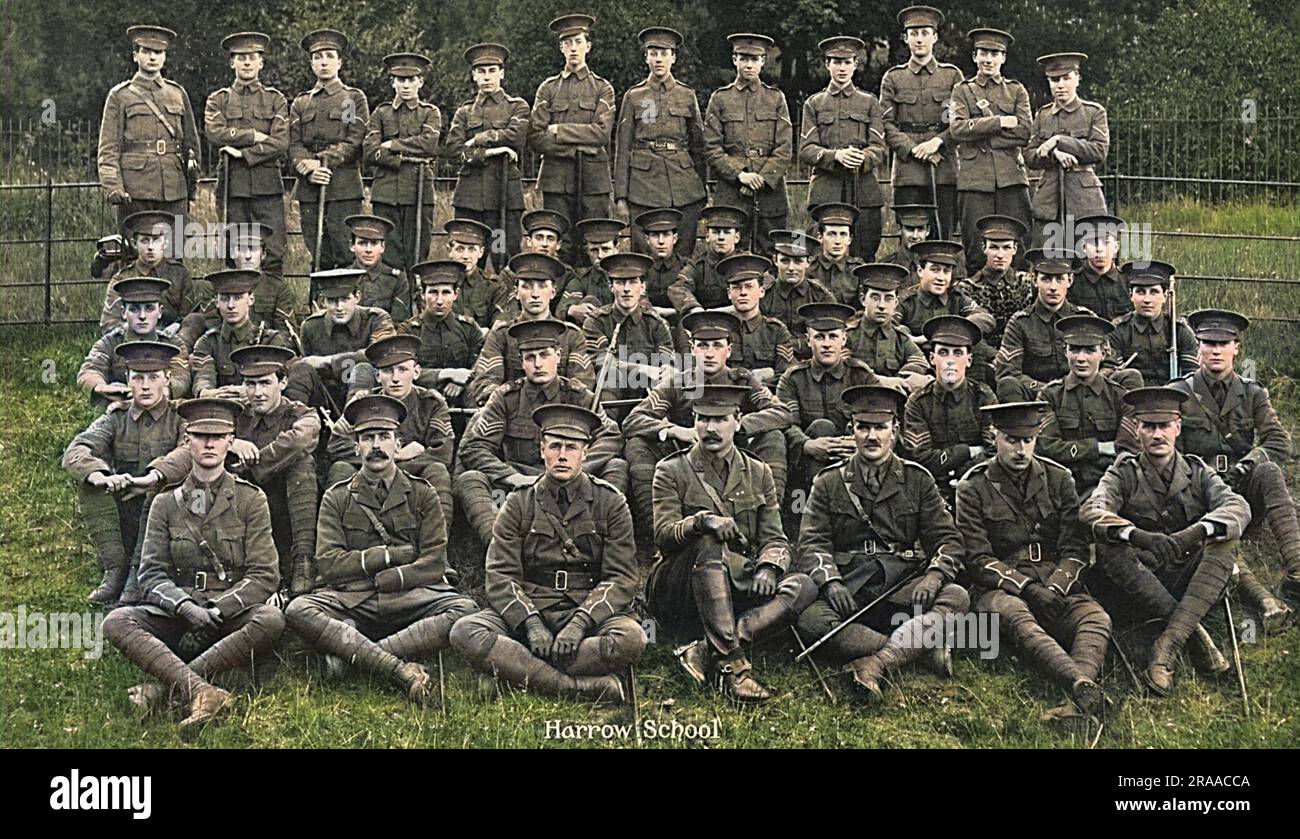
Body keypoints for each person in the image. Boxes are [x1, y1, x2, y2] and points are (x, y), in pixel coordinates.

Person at [102, 398, 284, 728]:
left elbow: (264, 574)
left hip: (227, 616)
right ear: (187, 441)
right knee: (117, 620)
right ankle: (203, 690)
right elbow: (152, 573)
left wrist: (216, 610)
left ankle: (162, 688)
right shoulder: (165, 503)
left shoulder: (250, 499)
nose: (209, 443)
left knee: (271, 618)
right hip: (178, 613)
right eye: (200, 435)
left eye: (218, 436)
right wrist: (185, 607)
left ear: (231, 441)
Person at [286, 395, 478, 705]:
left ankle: (355, 656)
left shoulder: (422, 493)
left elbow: (434, 561)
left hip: (409, 595)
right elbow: (329, 563)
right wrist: (388, 557)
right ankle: (398, 668)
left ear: (397, 445)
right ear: (356, 447)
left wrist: (393, 578)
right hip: (356, 597)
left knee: (464, 610)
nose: (376, 445)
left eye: (384, 437)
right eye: (367, 437)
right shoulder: (337, 497)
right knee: (298, 609)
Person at [450, 404, 643, 703]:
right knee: (465, 631)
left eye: (571, 447)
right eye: (554, 446)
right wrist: (531, 622)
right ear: (542, 450)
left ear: (585, 453)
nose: (562, 455)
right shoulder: (517, 502)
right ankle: (574, 687)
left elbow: (621, 577)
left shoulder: (610, 502)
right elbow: (501, 574)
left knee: (632, 639)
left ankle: (516, 671)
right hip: (532, 603)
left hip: (586, 605)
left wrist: (580, 623)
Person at [794, 384, 968, 703]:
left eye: (880, 427)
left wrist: (934, 575)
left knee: (956, 596)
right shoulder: (828, 481)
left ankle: (877, 661)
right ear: (852, 430)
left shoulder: (918, 479)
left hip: (898, 583)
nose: (872, 436)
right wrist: (831, 582)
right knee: (809, 619)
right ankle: (915, 647)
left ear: (895, 430)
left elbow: (947, 539)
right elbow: (811, 542)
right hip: (849, 586)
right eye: (864, 427)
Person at [648, 384, 817, 702]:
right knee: (708, 541)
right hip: (679, 590)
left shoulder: (759, 472)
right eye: (701, 419)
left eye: (721, 419)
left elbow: (775, 537)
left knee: (804, 585)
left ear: (738, 421)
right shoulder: (670, 470)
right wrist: (701, 522)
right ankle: (734, 667)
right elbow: (664, 536)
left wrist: (769, 566)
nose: (710, 428)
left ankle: (705, 648)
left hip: (736, 586)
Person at [1081, 387, 1248, 695]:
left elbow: (1237, 506)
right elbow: (1093, 509)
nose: (1157, 435)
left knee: (1225, 541)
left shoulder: (1198, 471)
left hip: (1186, 576)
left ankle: (1166, 647)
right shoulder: (1123, 471)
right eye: (1148, 426)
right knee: (1109, 545)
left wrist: (1196, 532)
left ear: (1178, 428)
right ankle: (1195, 633)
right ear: (1138, 431)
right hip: (1138, 581)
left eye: (1164, 426)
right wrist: (1136, 534)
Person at [955, 401, 1110, 717]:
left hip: (1056, 583)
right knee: (1015, 615)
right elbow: (976, 557)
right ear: (994, 436)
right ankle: (1077, 681)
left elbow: (1076, 548)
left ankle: (1078, 698)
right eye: (1011, 440)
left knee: (1097, 618)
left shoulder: (1059, 479)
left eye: (1028, 440)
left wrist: (1055, 588)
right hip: (1000, 588)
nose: (1021, 449)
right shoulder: (973, 487)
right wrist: (1026, 588)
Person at [152, 346, 320, 599]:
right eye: (250, 384)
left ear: (283, 382)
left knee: (302, 463)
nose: (258, 392)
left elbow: (300, 440)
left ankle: (303, 559)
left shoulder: (300, 413)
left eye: (265, 383)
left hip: (284, 502)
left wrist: (256, 460)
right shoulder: (235, 413)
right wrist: (233, 442)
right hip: (234, 503)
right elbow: (197, 429)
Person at [1170, 310, 1299, 621]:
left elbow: (1280, 442)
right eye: (1208, 343)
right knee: (1217, 528)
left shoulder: (1252, 393)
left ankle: (1296, 571)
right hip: (1199, 493)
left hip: (1241, 485)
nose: (1216, 350)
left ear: (1236, 348)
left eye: (1223, 343)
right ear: (1197, 347)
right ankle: (1260, 595)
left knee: (1268, 471)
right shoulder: (1178, 393)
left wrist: (1250, 461)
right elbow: (1170, 453)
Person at [456, 320, 627, 547]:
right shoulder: (506, 398)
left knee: (617, 467)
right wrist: (512, 476)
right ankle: (500, 548)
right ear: (521, 362)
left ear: (558, 356)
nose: (538, 364)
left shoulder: (577, 395)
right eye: (530, 357)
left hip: (572, 485)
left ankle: (596, 541)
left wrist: (577, 470)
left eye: (544, 355)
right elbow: (475, 447)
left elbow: (611, 436)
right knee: (471, 480)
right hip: (519, 486)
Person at [623, 311, 794, 535]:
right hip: (688, 461)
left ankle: (770, 528)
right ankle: (658, 532)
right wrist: (675, 430)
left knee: (774, 437)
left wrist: (738, 426)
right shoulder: (678, 382)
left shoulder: (742, 380)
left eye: (717, 345)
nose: (710, 353)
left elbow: (782, 412)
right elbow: (633, 420)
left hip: (735, 458)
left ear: (729, 350)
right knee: (637, 443)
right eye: (703, 345)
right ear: (692, 349)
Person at [63, 342, 187, 606]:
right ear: (127, 379)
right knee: (90, 485)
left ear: (166, 379)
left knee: (160, 492)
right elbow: (77, 449)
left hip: (173, 512)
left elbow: (188, 452)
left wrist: (154, 477)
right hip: (128, 507)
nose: (144, 386)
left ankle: (135, 578)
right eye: (137, 377)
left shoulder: (180, 416)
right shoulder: (116, 418)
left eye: (153, 377)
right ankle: (114, 570)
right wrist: (102, 477)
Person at [326, 335, 455, 526]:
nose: (395, 378)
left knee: (437, 471)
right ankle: (338, 545)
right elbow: (336, 444)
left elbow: (442, 452)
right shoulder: (363, 403)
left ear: (416, 372)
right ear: (377, 376)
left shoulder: (431, 403)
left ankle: (438, 545)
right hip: (369, 471)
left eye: (402, 370)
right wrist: (395, 455)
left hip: (413, 473)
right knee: (340, 469)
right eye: (387, 371)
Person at [529, 13, 616, 265]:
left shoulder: (603, 88)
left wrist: (559, 131)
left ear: (588, 46)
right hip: (556, 178)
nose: (573, 48)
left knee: (596, 241)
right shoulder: (548, 88)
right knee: (560, 245)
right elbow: (536, 136)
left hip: (594, 179)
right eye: (568, 43)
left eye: (578, 41)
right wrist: (578, 147)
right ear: (561, 48)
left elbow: (601, 133)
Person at [614, 26, 707, 258]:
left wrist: (702, 188)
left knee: (683, 251)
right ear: (646, 57)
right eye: (653, 53)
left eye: (664, 53)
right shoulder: (634, 96)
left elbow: (699, 146)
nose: (658, 59)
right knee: (644, 253)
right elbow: (623, 147)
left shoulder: (687, 95)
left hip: (683, 186)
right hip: (643, 187)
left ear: (673, 58)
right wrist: (621, 196)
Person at [948, 28, 1032, 272]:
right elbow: (957, 130)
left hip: (1012, 180)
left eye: (995, 54)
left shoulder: (1016, 91)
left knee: (1018, 247)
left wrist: (983, 135)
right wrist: (1000, 122)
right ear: (974, 56)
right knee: (976, 248)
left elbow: (1025, 132)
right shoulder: (962, 91)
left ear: (1003, 58)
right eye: (983, 53)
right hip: (975, 180)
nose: (988, 59)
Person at [206, 31, 289, 277]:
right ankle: (236, 306)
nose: (247, 62)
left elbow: (281, 142)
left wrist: (244, 154)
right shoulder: (218, 100)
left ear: (261, 62)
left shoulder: (275, 100)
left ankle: (271, 306)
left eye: (252, 57)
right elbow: (215, 133)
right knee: (235, 250)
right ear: (232, 62)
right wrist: (253, 135)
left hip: (267, 186)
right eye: (240, 57)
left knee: (273, 251)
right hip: (233, 185)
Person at [775, 302, 879, 499]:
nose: (826, 344)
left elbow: (882, 419)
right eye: (819, 337)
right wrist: (807, 445)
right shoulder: (793, 379)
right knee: (821, 427)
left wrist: (857, 443)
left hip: (856, 457)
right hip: (808, 464)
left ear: (844, 339)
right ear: (808, 340)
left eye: (833, 336)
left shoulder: (861, 376)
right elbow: (786, 424)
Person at [98, 25, 200, 224]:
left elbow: (192, 147)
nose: (152, 57)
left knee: (175, 252)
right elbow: (108, 148)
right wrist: (114, 187)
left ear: (164, 57)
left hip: (174, 188)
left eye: (158, 52)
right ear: (135, 56)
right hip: (136, 190)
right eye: (146, 51)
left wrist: (191, 188)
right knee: (137, 251)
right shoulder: (120, 96)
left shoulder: (177, 93)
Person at [799, 36, 887, 261]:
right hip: (827, 188)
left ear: (855, 64)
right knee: (822, 253)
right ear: (827, 64)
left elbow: (879, 148)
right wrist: (835, 155)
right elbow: (806, 149)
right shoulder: (814, 104)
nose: (842, 68)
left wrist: (861, 157)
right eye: (836, 62)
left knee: (864, 251)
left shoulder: (869, 102)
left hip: (863, 187)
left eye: (847, 62)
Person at [880, 7, 964, 241]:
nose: (919, 39)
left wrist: (938, 142)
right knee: (910, 234)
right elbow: (886, 123)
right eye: (914, 33)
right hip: (908, 170)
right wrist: (914, 149)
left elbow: (958, 120)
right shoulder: (894, 78)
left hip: (943, 167)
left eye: (925, 33)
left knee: (942, 234)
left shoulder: (951, 76)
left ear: (935, 37)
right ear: (906, 38)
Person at [704, 33, 792, 254]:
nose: (749, 65)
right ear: (735, 60)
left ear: (763, 61)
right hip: (732, 191)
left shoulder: (776, 99)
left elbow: (784, 147)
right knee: (729, 253)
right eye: (743, 58)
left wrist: (763, 177)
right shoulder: (720, 99)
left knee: (773, 251)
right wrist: (740, 174)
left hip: (770, 192)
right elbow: (712, 147)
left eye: (755, 59)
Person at [467, 253, 594, 406]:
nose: (535, 294)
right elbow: (485, 383)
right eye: (526, 286)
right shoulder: (501, 334)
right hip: (511, 414)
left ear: (553, 292)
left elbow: (581, 384)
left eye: (542, 286)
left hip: (557, 414)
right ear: (516, 293)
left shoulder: (570, 335)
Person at [289, 29, 369, 273]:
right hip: (310, 187)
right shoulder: (301, 102)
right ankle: (321, 305)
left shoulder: (351, 99)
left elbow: (354, 141)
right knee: (316, 250)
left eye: (329, 56)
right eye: (318, 57)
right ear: (311, 63)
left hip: (343, 186)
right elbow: (293, 143)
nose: (324, 61)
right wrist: (307, 168)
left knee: (345, 251)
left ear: (339, 62)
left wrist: (322, 162)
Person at [1036, 314, 1140, 499]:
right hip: (1059, 486)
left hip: (1108, 485)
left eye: (1090, 350)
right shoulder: (1049, 396)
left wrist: (1072, 452)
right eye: (1074, 350)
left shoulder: (1121, 397)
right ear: (1065, 351)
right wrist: (1098, 448)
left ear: (1104, 352)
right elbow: (1045, 447)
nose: (1081, 358)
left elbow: (1126, 451)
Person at [446, 43, 529, 271]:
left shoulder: (517, 107)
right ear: (474, 76)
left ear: (502, 73)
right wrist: (493, 151)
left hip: (504, 197)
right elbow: (453, 150)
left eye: (492, 70)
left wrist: (478, 139)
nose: (487, 77)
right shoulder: (464, 112)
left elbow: (516, 137)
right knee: (467, 259)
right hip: (470, 199)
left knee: (506, 257)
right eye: (481, 71)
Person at [901, 315, 996, 495]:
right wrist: (967, 451)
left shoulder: (983, 397)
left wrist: (966, 471)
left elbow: (994, 449)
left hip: (978, 483)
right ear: (932, 359)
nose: (950, 360)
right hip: (930, 487)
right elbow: (919, 456)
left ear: (969, 360)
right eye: (943, 353)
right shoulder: (918, 402)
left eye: (958, 353)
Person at [364, 52, 440, 274]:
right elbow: (370, 151)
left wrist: (393, 145)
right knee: (389, 256)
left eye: (411, 80)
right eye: (400, 80)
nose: (406, 85)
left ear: (420, 82)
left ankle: (417, 302)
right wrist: (400, 159)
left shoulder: (430, 112)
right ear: (392, 82)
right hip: (386, 192)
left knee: (418, 253)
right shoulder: (381, 112)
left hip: (419, 190)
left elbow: (429, 144)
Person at [1026, 53, 1108, 246]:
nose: (1060, 85)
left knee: (1086, 258)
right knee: (1047, 259)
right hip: (1049, 200)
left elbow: (1099, 150)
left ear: (1077, 79)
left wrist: (1059, 140)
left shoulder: (1093, 113)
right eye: (1054, 80)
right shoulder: (1043, 115)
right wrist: (1054, 154)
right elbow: (1030, 155)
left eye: (1066, 78)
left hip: (1083, 200)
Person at [581, 252, 676, 419]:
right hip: (608, 397)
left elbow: (666, 363)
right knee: (611, 376)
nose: (626, 289)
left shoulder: (656, 324)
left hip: (645, 395)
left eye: (633, 282)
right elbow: (599, 362)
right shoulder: (596, 321)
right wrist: (641, 369)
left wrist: (665, 371)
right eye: (620, 282)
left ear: (643, 287)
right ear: (611, 286)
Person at [189, 269, 299, 401]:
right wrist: (205, 392)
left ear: (251, 300)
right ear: (216, 303)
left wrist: (248, 389)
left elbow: (280, 378)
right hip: (222, 406)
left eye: (238, 298)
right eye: (224, 299)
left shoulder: (269, 340)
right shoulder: (208, 342)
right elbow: (203, 375)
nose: (231, 305)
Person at [80, 277, 191, 405]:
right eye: (134, 309)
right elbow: (90, 369)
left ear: (160, 312)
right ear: (123, 312)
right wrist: (103, 387)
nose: (142, 316)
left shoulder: (172, 343)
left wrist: (164, 390)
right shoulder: (110, 342)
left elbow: (181, 376)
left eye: (149, 309)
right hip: (121, 403)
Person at [299, 268, 396, 409]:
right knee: (300, 370)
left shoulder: (376, 319)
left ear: (357, 297)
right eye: (332, 301)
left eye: (345, 299)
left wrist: (328, 361)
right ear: (322, 302)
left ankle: (350, 427)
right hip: (324, 398)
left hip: (367, 395)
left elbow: (381, 354)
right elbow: (308, 367)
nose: (339, 307)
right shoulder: (310, 327)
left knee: (364, 369)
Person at [99, 211, 209, 336]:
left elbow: (189, 315)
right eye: (145, 241)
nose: (150, 247)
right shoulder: (122, 278)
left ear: (165, 243)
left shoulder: (179, 275)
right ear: (135, 244)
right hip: (134, 341)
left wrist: (177, 326)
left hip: (173, 340)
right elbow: (109, 323)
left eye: (156, 240)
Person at [959, 215, 1034, 386]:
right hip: (985, 360)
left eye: (1006, 247)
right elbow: (970, 334)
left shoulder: (1027, 283)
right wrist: (995, 355)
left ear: (1015, 249)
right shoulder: (968, 288)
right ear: (984, 248)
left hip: (1024, 357)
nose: (1000, 254)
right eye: (994, 247)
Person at [398, 260, 484, 407]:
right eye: (433, 292)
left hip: (461, 401)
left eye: (446, 292)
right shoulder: (409, 331)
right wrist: (447, 374)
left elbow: (483, 363)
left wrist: (462, 382)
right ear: (423, 294)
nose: (439, 300)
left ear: (455, 294)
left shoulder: (468, 328)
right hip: (420, 401)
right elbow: (402, 371)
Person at [1108, 259, 1198, 387]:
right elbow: (1113, 378)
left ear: (1165, 296)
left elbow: (1193, 375)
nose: (1147, 300)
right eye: (1140, 292)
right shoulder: (1118, 330)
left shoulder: (1178, 330)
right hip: (1130, 399)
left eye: (1154, 292)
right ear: (1130, 296)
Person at [844, 263, 931, 391]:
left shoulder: (900, 338)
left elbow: (919, 361)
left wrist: (901, 379)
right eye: (875, 297)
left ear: (895, 303)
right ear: (863, 299)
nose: (882, 305)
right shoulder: (848, 336)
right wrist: (884, 381)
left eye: (888, 298)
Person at [721, 253, 794, 388]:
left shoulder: (776, 330)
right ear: (729, 293)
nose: (743, 292)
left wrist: (756, 380)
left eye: (749, 287)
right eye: (736, 287)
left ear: (761, 291)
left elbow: (787, 377)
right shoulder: (720, 330)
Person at [667, 204, 749, 316]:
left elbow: (766, 282)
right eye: (715, 232)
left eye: (727, 232)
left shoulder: (747, 262)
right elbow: (678, 288)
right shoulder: (698, 265)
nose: (721, 237)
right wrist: (694, 309)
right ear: (707, 236)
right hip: (705, 322)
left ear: (737, 237)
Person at [761, 229, 835, 347]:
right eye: (785, 261)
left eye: (798, 261)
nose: (791, 267)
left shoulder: (821, 297)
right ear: (775, 260)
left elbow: (830, 337)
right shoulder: (763, 295)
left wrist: (795, 346)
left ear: (808, 262)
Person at [442, 218, 511, 328]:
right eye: (460, 249)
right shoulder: (437, 284)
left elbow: (498, 329)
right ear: (449, 250)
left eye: (472, 250)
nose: (465, 256)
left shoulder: (494, 287)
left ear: (481, 252)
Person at [345, 214, 410, 321]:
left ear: (382, 247)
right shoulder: (342, 277)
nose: (368, 250)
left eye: (374, 243)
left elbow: (399, 321)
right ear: (352, 246)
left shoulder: (397, 280)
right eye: (362, 243)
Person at [1068, 214, 1131, 320]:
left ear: (1116, 247)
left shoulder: (1127, 282)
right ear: (1084, 247)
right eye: (1093, 242)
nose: (1100, 249)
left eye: (1106, 242)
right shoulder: (1072, 282)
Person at [806, 203, 867, 307]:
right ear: (820, 237)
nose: (837, 241)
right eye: (831, 234)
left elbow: (864, 308)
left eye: (843, 234)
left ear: (849, 239)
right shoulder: (808, 268)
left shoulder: (858, 271)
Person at [634, 208, 688, 317]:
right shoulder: (639, 269)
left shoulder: (686, 266)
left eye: (666, 235)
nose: (661, 241)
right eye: (655, 235)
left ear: (675, 238)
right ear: (647, 239)